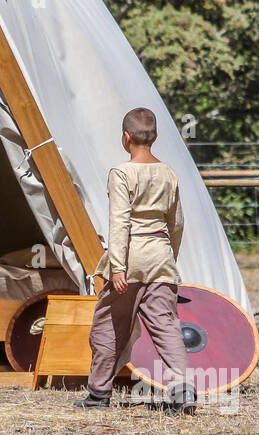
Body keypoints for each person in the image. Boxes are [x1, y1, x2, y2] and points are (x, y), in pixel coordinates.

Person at [76, 106, 195, 414]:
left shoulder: (121, 173)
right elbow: (177, 223)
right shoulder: (168, 173)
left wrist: (117, 267)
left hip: (129, 259)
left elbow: (120, 222)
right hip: (160, 257)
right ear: (155, 137)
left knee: (108, 326)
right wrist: (169, 260)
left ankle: (99, 393)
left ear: (125, 137)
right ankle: (183, 391)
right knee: (167, 327)